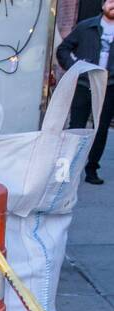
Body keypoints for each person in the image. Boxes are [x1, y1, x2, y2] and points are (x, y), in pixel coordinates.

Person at [57, 0, 114, 184]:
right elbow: (63, 49)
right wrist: (75, 67)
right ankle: (68, 168)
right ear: (103, 4)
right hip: (83, 85)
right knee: (76, 127)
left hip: (108, 87)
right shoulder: (86, 26)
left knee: (101, 129)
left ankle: (91, 170)